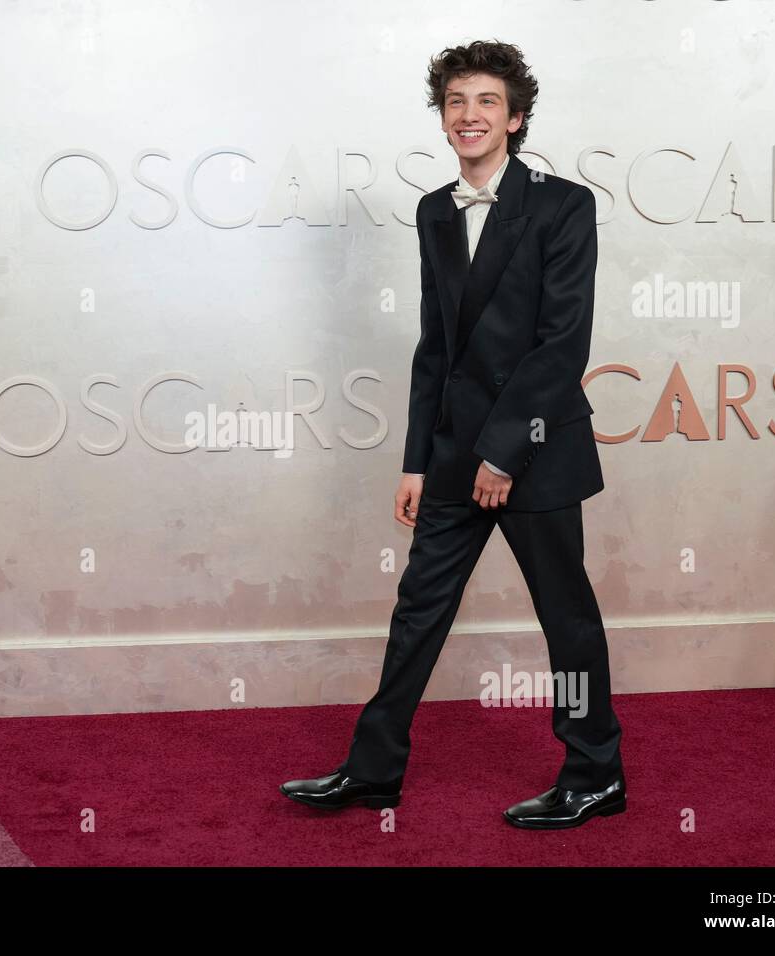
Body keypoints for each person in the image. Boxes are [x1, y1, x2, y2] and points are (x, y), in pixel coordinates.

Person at [280, 40, 625, 829]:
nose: (470, 115)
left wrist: (504, 450)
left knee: (564, 616)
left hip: (534, 450)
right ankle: (373, 770)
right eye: (456, 102)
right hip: (450, 452)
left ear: (516, 117)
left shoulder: (564, 204)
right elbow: (436, 343)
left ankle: (596, 771)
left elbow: (561, 343)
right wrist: (414, 460)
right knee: (417, 610)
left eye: (487, 103)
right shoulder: (435, 209)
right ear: (443, 118)